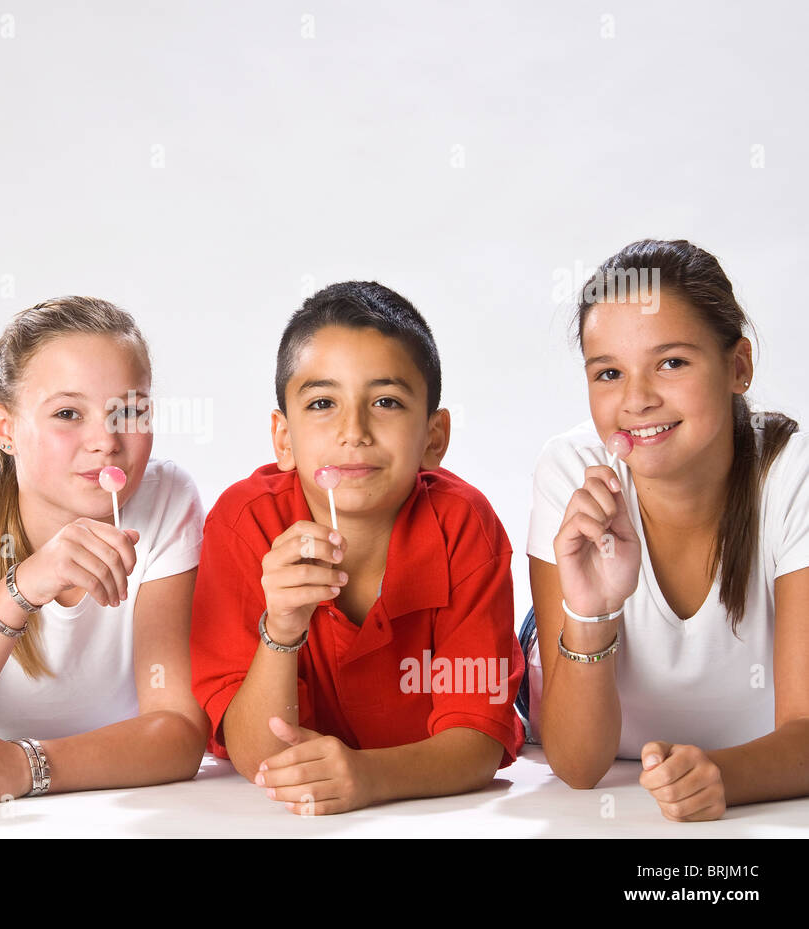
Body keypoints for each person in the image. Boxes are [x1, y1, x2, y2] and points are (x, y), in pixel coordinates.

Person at [190, 281, 524, 816]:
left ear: (434, 437)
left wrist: (368, 776)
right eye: (323, 403)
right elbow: (262, 759)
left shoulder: (464, 525)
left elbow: (477, 742)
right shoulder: (243, 523)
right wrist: (282, 629)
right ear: (283, 437)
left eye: (386, 402)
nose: (354, 431)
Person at [0, 297, 208, 801]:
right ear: (5, 429)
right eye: (69, 413)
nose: (106, 441)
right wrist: (22, 587)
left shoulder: (168, 498)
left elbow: (180, 734)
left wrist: (27, 765)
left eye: (130, 411)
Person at [525, 238, 809, 821]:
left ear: (738, 367)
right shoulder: (571, 469)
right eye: (609, 373)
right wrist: (590, 612)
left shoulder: (792, 475)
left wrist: (722, 776)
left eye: (672, 362)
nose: (637, 400)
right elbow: (579, 768)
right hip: (550, 655)